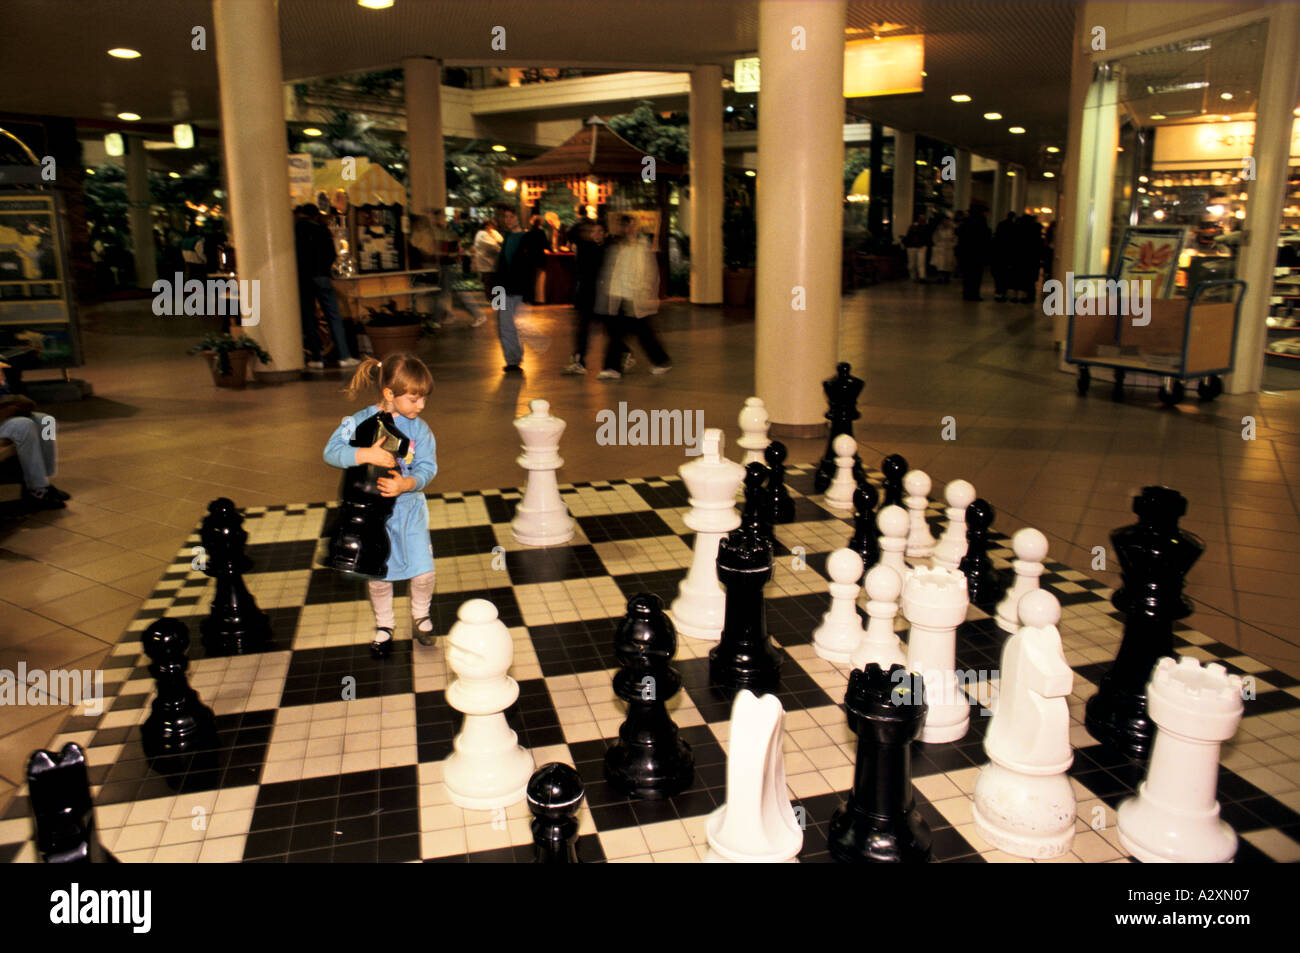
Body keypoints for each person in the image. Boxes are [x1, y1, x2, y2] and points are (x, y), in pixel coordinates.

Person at [323, 354, 437, 658]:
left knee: (423, 572)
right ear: (389, 393)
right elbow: (331, 451)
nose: (421, 406)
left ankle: (421, 614)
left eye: (423, 398)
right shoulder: (357, 421)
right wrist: (363, 455)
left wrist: (407, 484)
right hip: (373, 518)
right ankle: (385, 624)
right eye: (414, 399)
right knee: (378, 574)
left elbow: (427, 468)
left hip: (410, 511)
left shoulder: (421, 430)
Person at [596, 214, 670, 380]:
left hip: (633, 296)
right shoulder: (619, 247)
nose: (629, 230)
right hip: (619, 296)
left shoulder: (641, 247)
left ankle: (659, 360)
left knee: (640, 332)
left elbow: (646, 272)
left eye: (631, 226)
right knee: (626, 332)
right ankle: (658, 360)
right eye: (626, 226)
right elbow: (613, 271)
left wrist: (642, 293)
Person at [294, 204, 357, 370]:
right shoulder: (321, 230)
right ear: (315, 215)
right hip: (322, 276)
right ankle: (344, 356)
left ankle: (316, 357)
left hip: (302, 279)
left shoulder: (293, 230)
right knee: (333, 316)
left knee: (309, 318)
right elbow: (332, 255)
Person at [0, 360, 68, 511]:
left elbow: (8, 390)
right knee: (24, 426)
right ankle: (37, 489)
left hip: (5, 415)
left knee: (46, 421)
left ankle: (44, 480)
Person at [488, 206, 545, 374]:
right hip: (504, 287)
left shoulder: (526, 238)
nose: (508, 220)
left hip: (519, 287)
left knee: (517, 324)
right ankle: (512, 360)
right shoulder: (507, 237)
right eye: (506, 217)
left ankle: (516, 358)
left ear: (517, 218)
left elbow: (534, 264)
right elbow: (502, 265)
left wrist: (529, 291)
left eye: (511, 216)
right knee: (505, 324)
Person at [564, 218, 608, 375]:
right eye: (592, 231)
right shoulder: (585, 246)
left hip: (600, 295)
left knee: (610, 327)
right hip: (587, 294)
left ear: (605, 234)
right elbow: (571, 234)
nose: (595, 234)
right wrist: (584, 221)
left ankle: (623, 354)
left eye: (599, 232)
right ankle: (580, 360)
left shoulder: (604, 249)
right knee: (583, 329)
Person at [470, 218, 503, 328]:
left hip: (490, 261)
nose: (492, 228)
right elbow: (491, 246)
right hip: (485, 261)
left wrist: (495, 237)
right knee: (488, 280)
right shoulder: (482, 235)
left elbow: (500, 240)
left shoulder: (490, 233)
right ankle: (491, 299)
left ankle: (494, 300)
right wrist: (498, 246)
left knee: (492, 280)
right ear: (486, 226)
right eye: (491, 226)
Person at [955, 206, 991, 302]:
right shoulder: (981, 221)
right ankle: (974, 294)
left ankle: (967, 293)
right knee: (976, 275)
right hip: (977, 253)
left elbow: (959, 233)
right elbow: (986, 237)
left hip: (966, 253)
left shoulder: (966, 222)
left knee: (967, 275)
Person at [1013, 214, 1045, 303]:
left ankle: (1017, 296)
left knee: (1019, 277)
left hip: (1020, 258)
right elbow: (1039, 245)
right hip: (1032, 259)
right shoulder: (1035, 230)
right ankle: (1027, 296)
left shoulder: (1019, 229)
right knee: (1029, 279)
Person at [991, 211, 1018, 302]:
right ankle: (1002, 293)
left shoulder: (1001, 225)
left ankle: (998, 293)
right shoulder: (1013, 227)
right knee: (1005, 275)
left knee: (999, 276)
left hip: (999, 255)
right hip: (1008, 255)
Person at [902, 214, 931, 282]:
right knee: (912, 263)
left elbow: (927, 237)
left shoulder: (926, 227)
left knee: (921, 262)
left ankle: (922, 277)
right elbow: (909, 236)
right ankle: (913, 277)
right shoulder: (913, 227)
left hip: (921, 246)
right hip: (912, 247)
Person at [930, 213, 957, 284]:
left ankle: (947, 277)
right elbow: (935, 238)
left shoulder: (953, 229)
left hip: (949, 248)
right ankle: (940, 277)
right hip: (941, 248)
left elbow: (955, 239)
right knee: (940, 264)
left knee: (948, 264)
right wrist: (937, 244)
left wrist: (952, 244)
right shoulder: (939, 229)